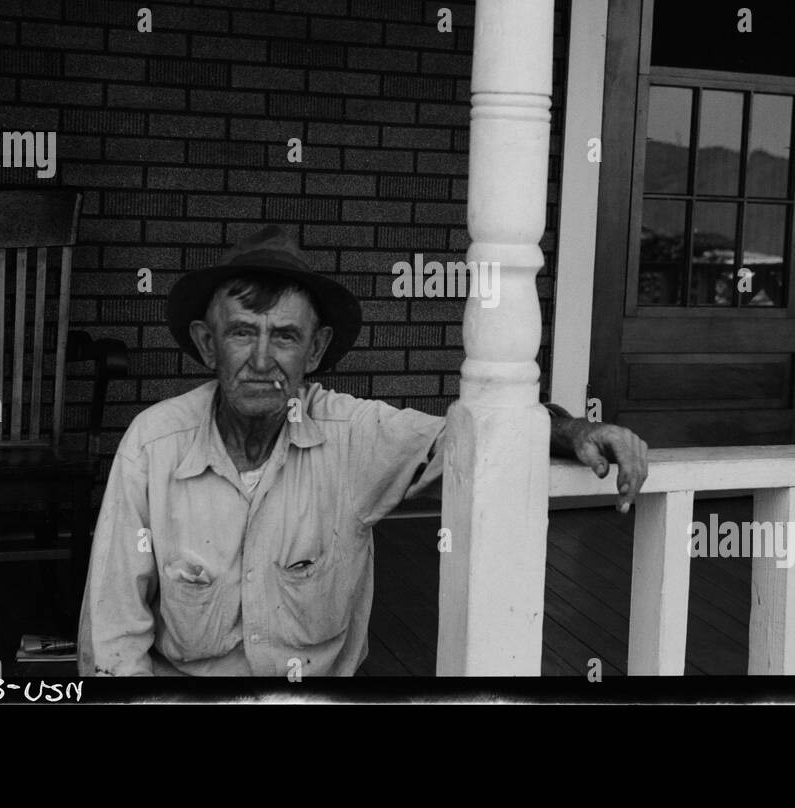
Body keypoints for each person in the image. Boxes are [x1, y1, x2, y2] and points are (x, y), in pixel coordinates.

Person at [78, 225, 650, 676]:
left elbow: (476, 439)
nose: (260, 360)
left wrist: (570, 431)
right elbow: (113, 639)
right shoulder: (151, 448)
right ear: (207, 344)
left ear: (316, 350)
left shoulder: (354, 437)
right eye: (241, 332)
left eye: (284, 336)